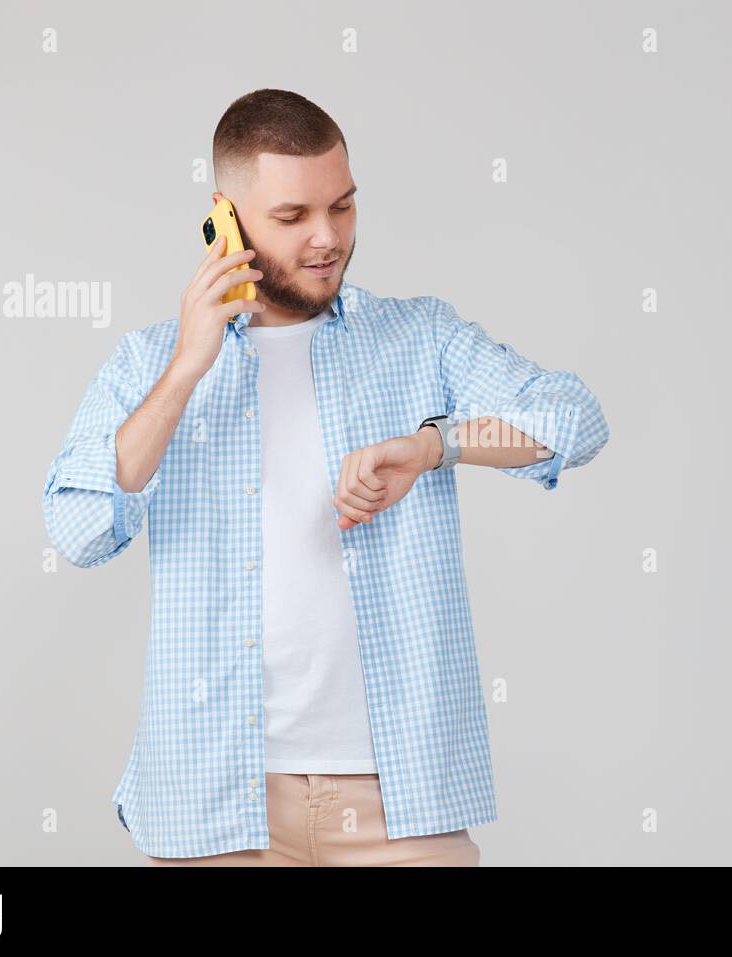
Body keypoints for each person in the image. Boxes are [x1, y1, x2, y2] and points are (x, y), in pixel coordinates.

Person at [42, 89, 610, 866]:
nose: (326, 238)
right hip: (214, 798)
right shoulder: (150, 362)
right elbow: (78, 528)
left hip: (399, 795)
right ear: (226, 218)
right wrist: (187, 366)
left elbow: (573, 419)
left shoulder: (420, 338)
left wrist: (433, 446)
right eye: (292, 217)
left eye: (342, 208)